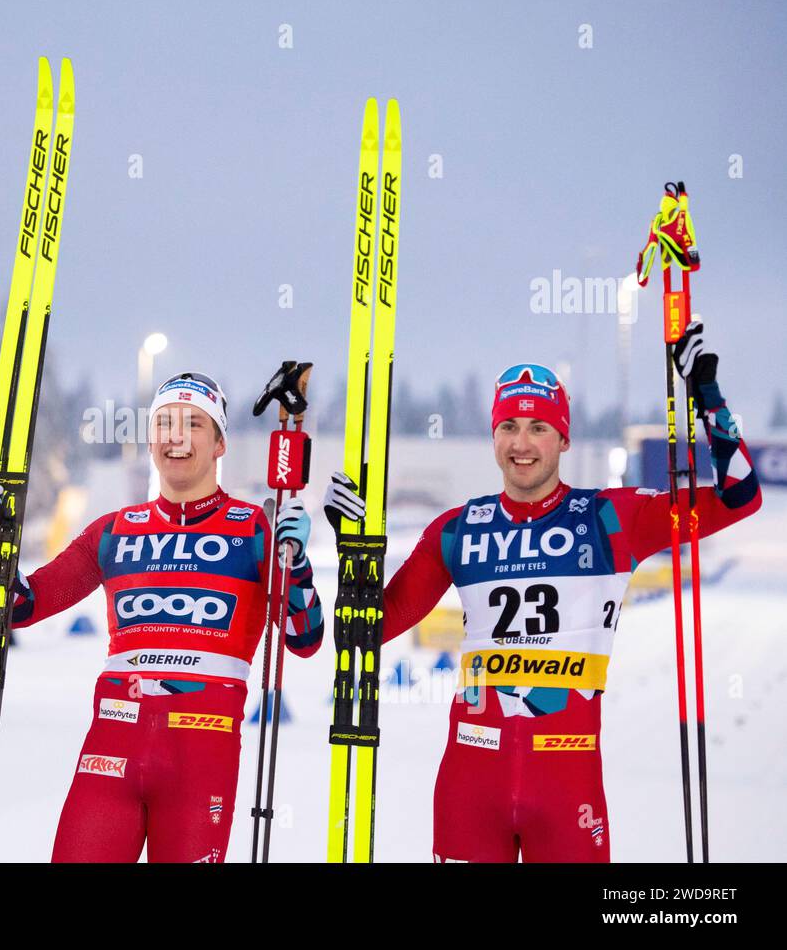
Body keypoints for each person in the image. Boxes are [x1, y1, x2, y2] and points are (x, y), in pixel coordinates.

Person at [322, 323, 761, 862]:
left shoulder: (610, 519)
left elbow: (740, 497)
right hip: (469, 783)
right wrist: (355, 550)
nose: (522, 443)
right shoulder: (458, 529)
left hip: (567, 787)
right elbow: (367, 631)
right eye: (508, 425)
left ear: (564, 438)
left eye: (538, 427)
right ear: (493, 436)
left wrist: (708, 397)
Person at [0, 372, 324, 862]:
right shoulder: (113, 531)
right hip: (110, 754)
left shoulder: (255, 530)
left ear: (219, 444)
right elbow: (18, 606)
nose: (176, 436)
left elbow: (305, 637)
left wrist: (294, 562)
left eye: (194, 424)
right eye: (165, 423)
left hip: (200, 763)